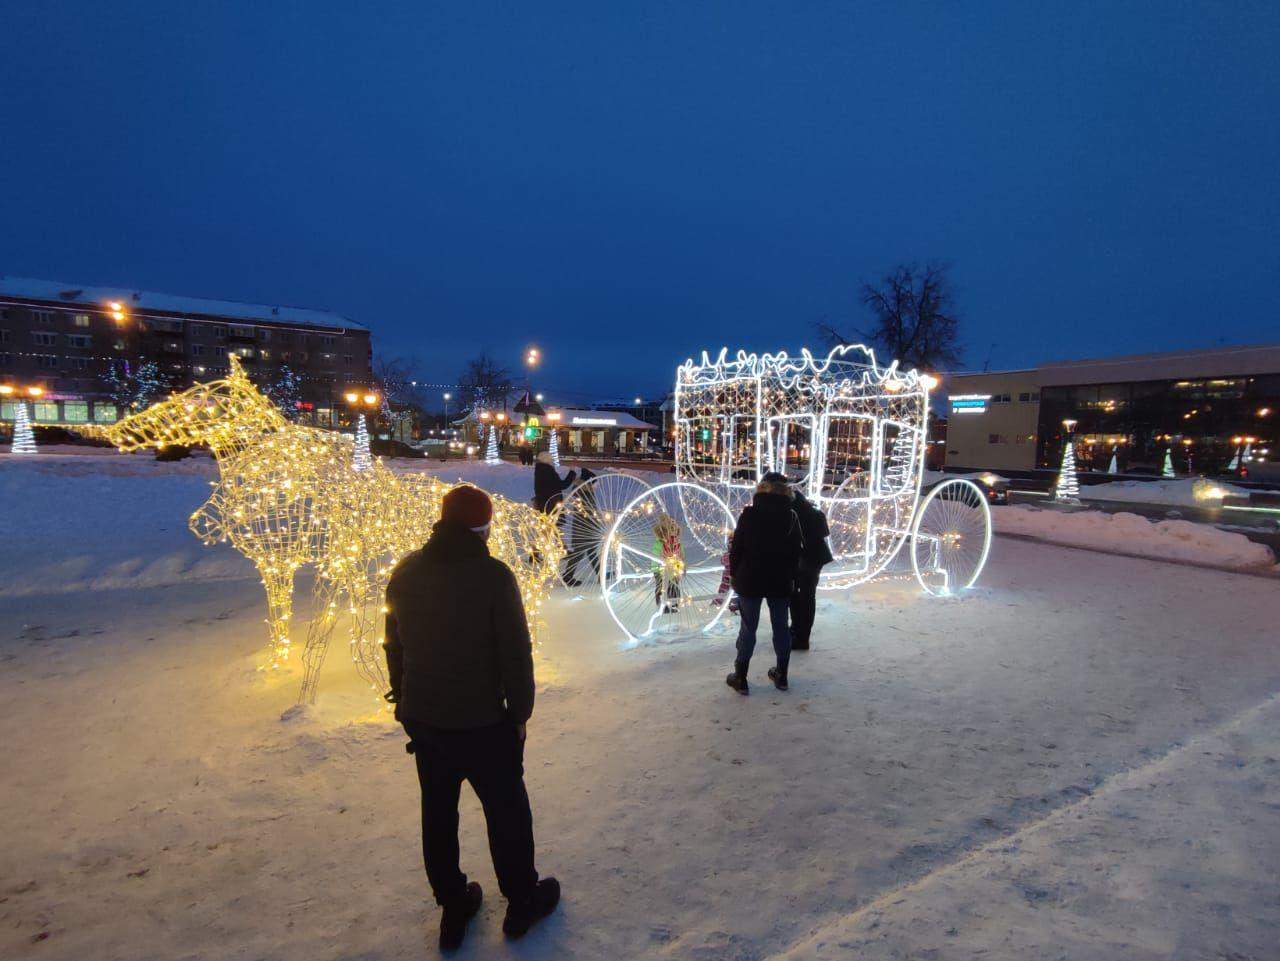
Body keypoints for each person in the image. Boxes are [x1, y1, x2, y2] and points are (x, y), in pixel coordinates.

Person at [384, 485, 560, 950]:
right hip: (484, 724)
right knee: (507, 812)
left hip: (426, 721)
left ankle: (452, 903)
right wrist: (519, 714)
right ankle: (521, 900)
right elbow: (515, 654)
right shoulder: (493, 576)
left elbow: (394, 645)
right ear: (482, 528)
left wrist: (403, 700)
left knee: (438, 813)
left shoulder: (405, 572)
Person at [726, 472, 802, 694]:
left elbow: (736, 548)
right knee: (781, 627)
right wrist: (791, 576)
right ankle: (782, 675)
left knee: (748, 627)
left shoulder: (749, 515)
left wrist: (734, 573)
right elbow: (795, 553)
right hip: (780, 580)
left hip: (750, 579)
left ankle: (740, 677)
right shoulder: (791, 517)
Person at [789, 489, 833, 651]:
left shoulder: (791, 514)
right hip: (817, 557)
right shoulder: (816, 513)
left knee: (796, 595)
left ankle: (798, 633)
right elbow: (825, 533)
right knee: (808, 596)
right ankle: (802, 634)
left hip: (801, 557)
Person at [562, 467, 598, 586]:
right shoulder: (585, 494)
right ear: (589, 482)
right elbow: (589, 513)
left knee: (592, 551)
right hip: (584, 528)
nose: (595, 486)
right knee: (579, 552)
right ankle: (568, 575)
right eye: (594, 483)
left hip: (584, 527)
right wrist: (598, 522)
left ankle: (601, 573)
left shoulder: (582, 492)